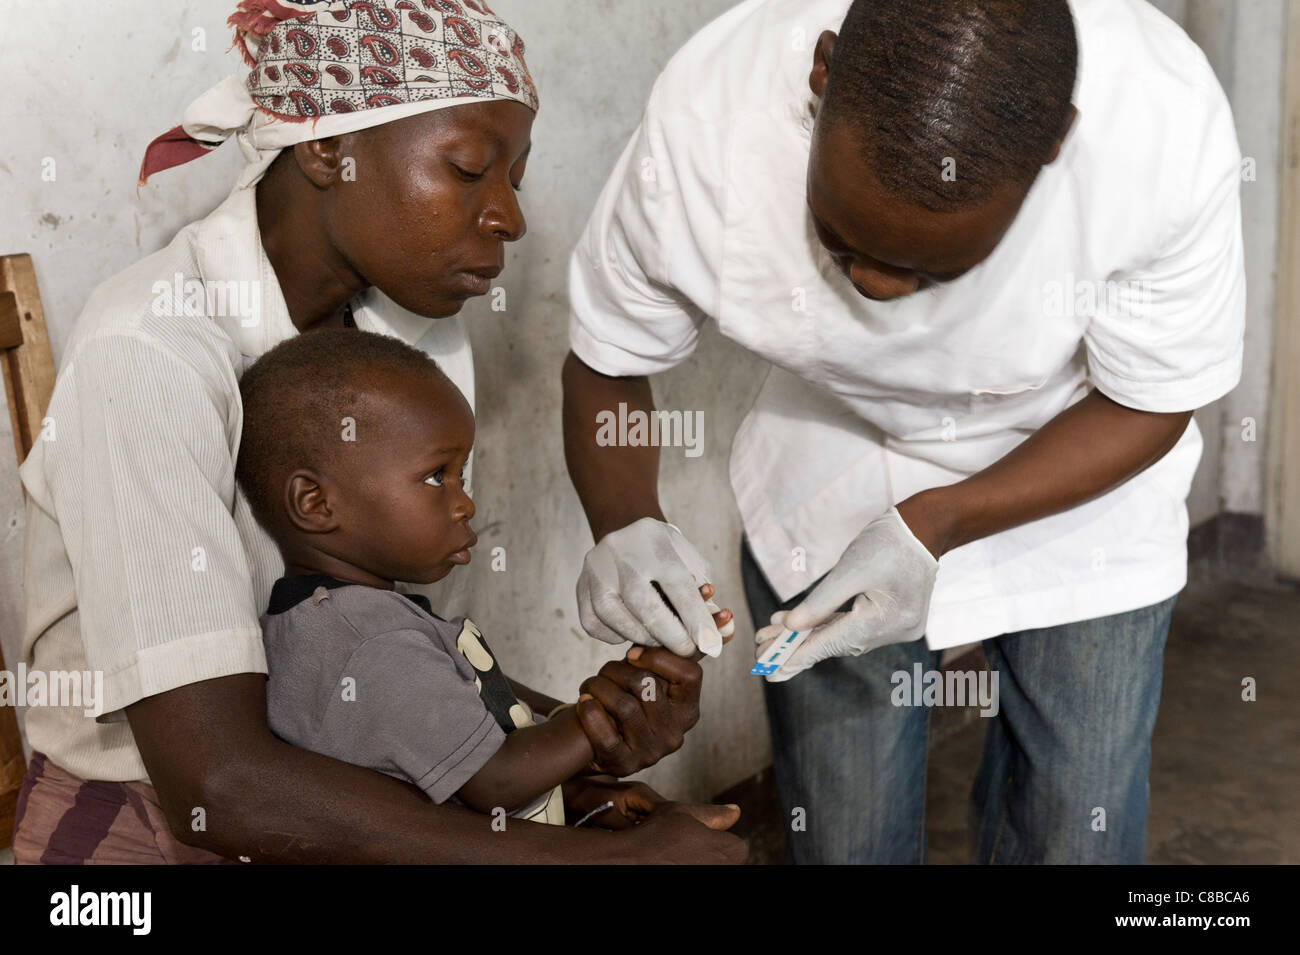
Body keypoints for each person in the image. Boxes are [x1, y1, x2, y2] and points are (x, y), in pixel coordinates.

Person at [14, 0, 745, 864]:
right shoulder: (151, 358)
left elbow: (384, 668)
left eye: (516, 177)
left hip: (339, 785)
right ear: (328, 147)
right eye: (470, 168)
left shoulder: (405, 347)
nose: (510, 217)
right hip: (153, 821)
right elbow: (221, 783)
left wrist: (579, 740)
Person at [563, 0, 1245, 863]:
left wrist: (935, 521)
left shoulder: (1162, 125)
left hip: (1082, 474)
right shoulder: (708, 121)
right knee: (848, 838)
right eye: (841, 241)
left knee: (1078, 828)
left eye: (931, 269)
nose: (878, 288)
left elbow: (1151, 399)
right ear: (821, 74)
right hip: (833, 460)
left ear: (1054, 146)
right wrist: (625, 521)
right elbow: (608, 357)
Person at [238, 328, 738, 831]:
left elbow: (477, 746)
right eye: (438, 476)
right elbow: (494, 781)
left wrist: (589, 797)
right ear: (315, 503)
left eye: (462, 474)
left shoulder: (362, 618)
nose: (466, 504)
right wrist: (606, 714)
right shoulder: (365, 641)